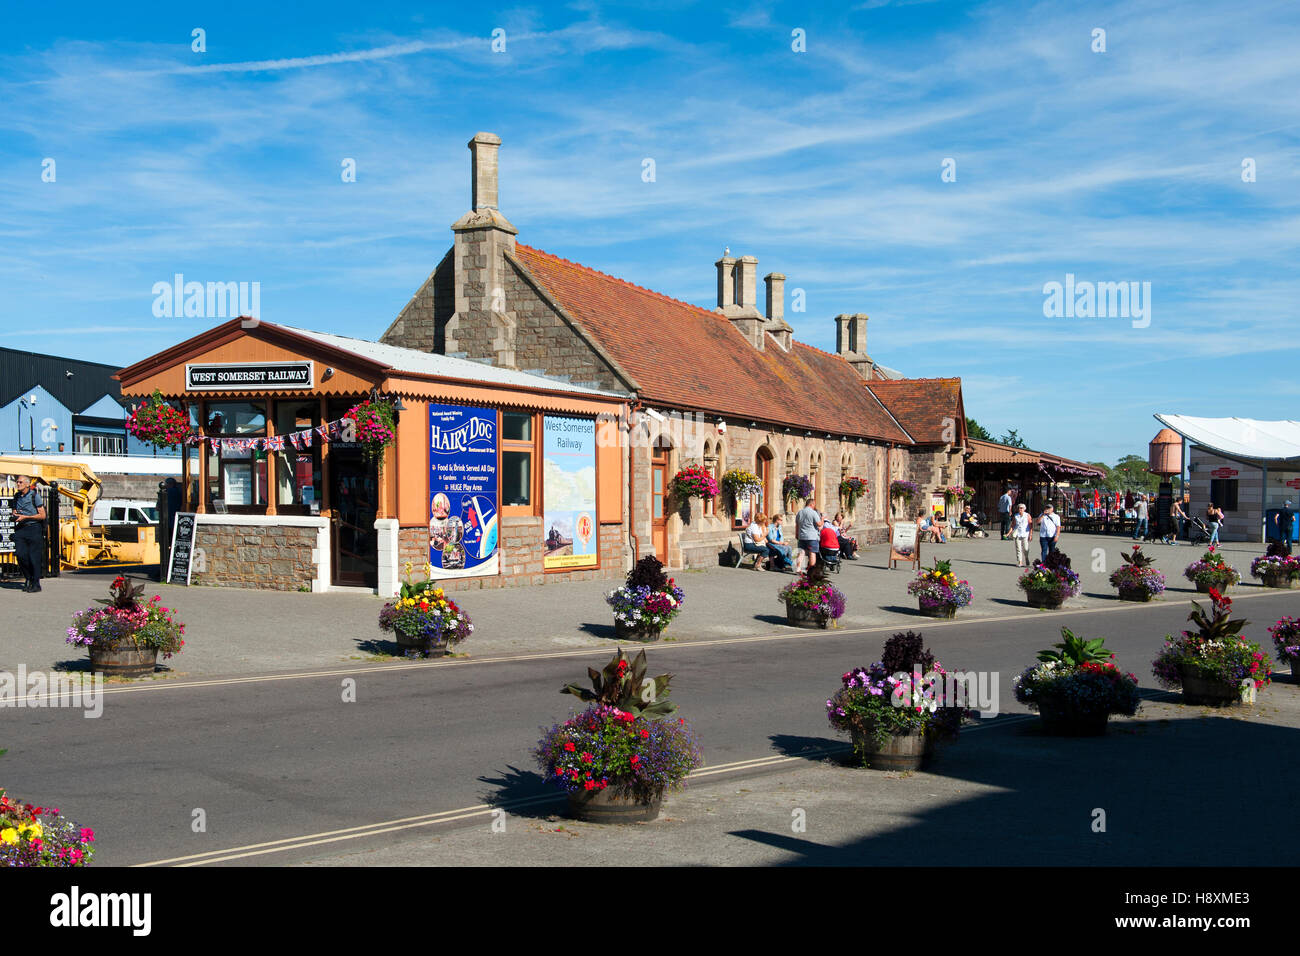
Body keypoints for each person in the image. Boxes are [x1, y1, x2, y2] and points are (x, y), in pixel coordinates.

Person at [12, 474, 47, 593]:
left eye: (20, 482)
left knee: (34, 558)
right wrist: (15, 516)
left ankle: (35, 583)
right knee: (20, 555)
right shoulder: (16, 496)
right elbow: (14, 511)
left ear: (27, 484)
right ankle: (28, 577)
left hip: (33, 528)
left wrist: (26, 517)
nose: (18, 484)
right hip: (21, 529)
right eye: (17, 482)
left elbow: (42, 515)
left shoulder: (34, 496)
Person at [794, 497, 822, 572]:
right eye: (814, 505)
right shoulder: (813, 512)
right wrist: (822, 520)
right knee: (812, 553)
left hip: (802, 535)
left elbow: (797, 525)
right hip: (812, 536)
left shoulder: (800, 512)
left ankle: (798, 568)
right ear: (811, 504)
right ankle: (812, 570)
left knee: (801, 552)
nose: (814, 506)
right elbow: (819, 524)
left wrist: (796, 534)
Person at [1011, 502, 1033, 567]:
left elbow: (1031, 525)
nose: (1020, 509)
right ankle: (1020, 561)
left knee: (1025, 548)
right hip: (1018, 533)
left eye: (1021, 508)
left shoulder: (1027, 515)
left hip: (1025, 533)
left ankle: (1026, 557)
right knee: (1018, 548)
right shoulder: (1016, 516)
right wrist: (1009, 533)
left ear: (1024, 509)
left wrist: (1031, 534)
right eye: (1019, 508)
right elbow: (1013, 525)